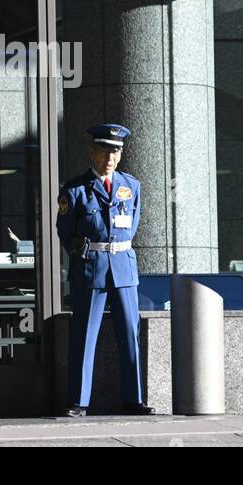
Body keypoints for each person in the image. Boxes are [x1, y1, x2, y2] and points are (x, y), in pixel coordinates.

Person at [56, 123, 154, 417]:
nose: (110, 158)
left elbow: (131, 226)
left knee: (130, 335)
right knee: (85, 336)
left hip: (123, 267)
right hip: (92, 268)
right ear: (92, 152)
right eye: (105, 151)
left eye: (116, 151)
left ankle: (133, 400)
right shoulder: (74, 190)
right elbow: (65, 232)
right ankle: (79, 401)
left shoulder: (131, 186)